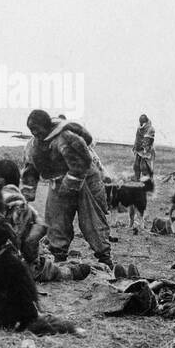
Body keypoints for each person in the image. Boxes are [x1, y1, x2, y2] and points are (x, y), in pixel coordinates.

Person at [24, 109, 114, 269]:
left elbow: (83, 162)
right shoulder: (34, 146)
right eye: (32, 130)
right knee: (55, 221)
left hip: (84, 178)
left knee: (91, 220)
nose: (35, 133)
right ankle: (58, 256)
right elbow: (31, 168)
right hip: (58, 182)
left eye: (38, 129)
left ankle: (105, 258)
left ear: (47, 126)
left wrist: (69, 185)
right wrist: (27, 193)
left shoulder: (65, 138)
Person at [133, 114, 155, 180]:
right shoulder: (139, 128)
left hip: (147, 150)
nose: (141, 123)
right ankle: (137, 178)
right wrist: (135, 147)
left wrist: (145, 148)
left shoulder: (150, 129)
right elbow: (137, 138)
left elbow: (148, 140)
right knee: (136, 165)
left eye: (142, 122)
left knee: (144, 166)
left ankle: (147, 179)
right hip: (139, 149)